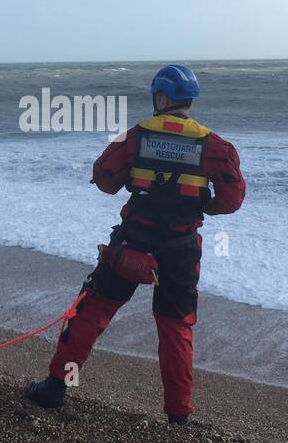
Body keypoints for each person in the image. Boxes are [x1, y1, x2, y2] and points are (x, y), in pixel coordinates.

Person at [24, 65, 245, 424]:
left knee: (93, 310)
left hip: (133, 241)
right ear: (189, 100)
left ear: (160, 97)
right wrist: (200, 204)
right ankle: (178, 416)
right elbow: (232, 199)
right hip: (181, 247)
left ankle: (55, 387)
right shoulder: (215, 145)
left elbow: (104, 178)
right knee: (176, 327)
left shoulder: (134, 137)